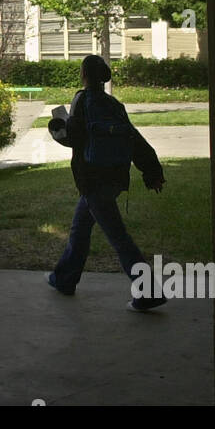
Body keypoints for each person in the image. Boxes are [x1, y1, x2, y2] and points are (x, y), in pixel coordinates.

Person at [45, 54, 167, 311]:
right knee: (79, 230)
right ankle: (64, 279)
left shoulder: (82, 100)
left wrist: (56, 129)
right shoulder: (114, 105)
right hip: (115, 178)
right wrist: (152, 171)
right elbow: (134, 139)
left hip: (92, 180)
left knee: (119, 237)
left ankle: (149, 292)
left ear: (84, 75)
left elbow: (74, 138)